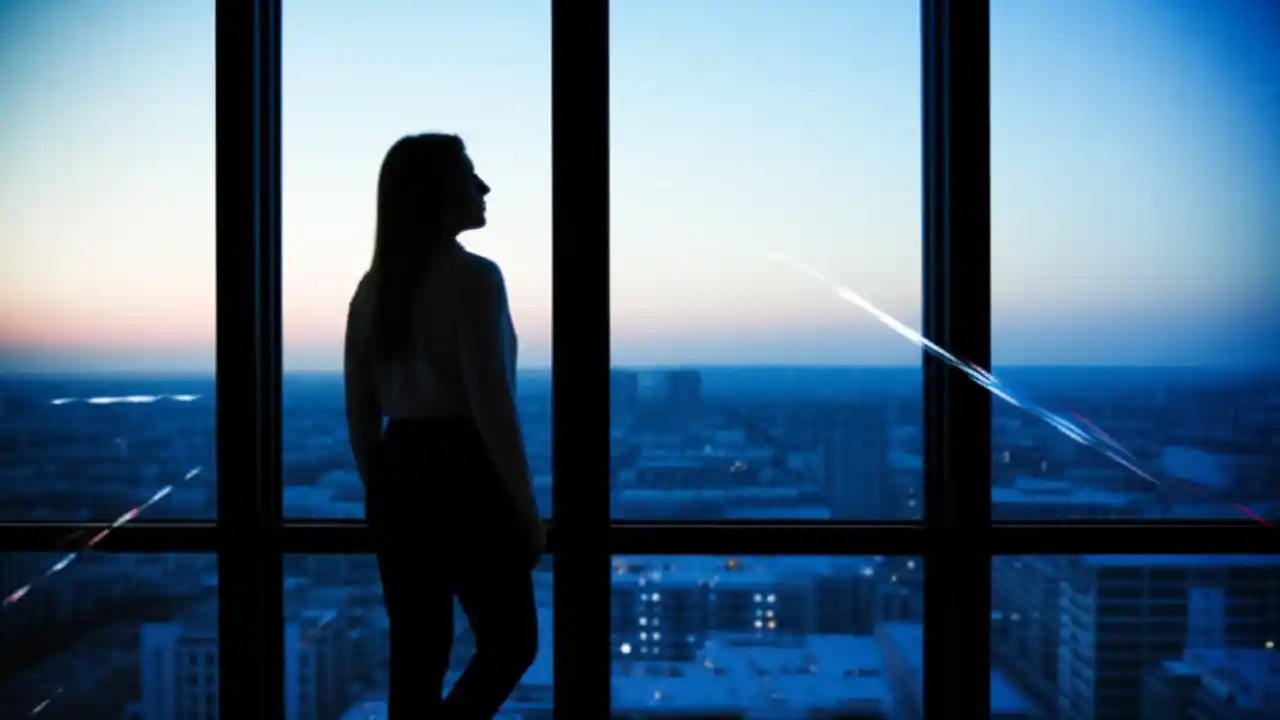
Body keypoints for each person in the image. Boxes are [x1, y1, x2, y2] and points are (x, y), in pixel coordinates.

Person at [343, 132, 545, 718]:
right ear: (436, 193)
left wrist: (382, 488)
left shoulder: (373, 287)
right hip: (463, 468)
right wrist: (525, 510)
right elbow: (492, 405)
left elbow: (360, 411)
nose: (483, 188)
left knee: (417, 653)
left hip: (398, 469)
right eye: (469, 176)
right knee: (511, 643)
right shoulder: (476, 278)